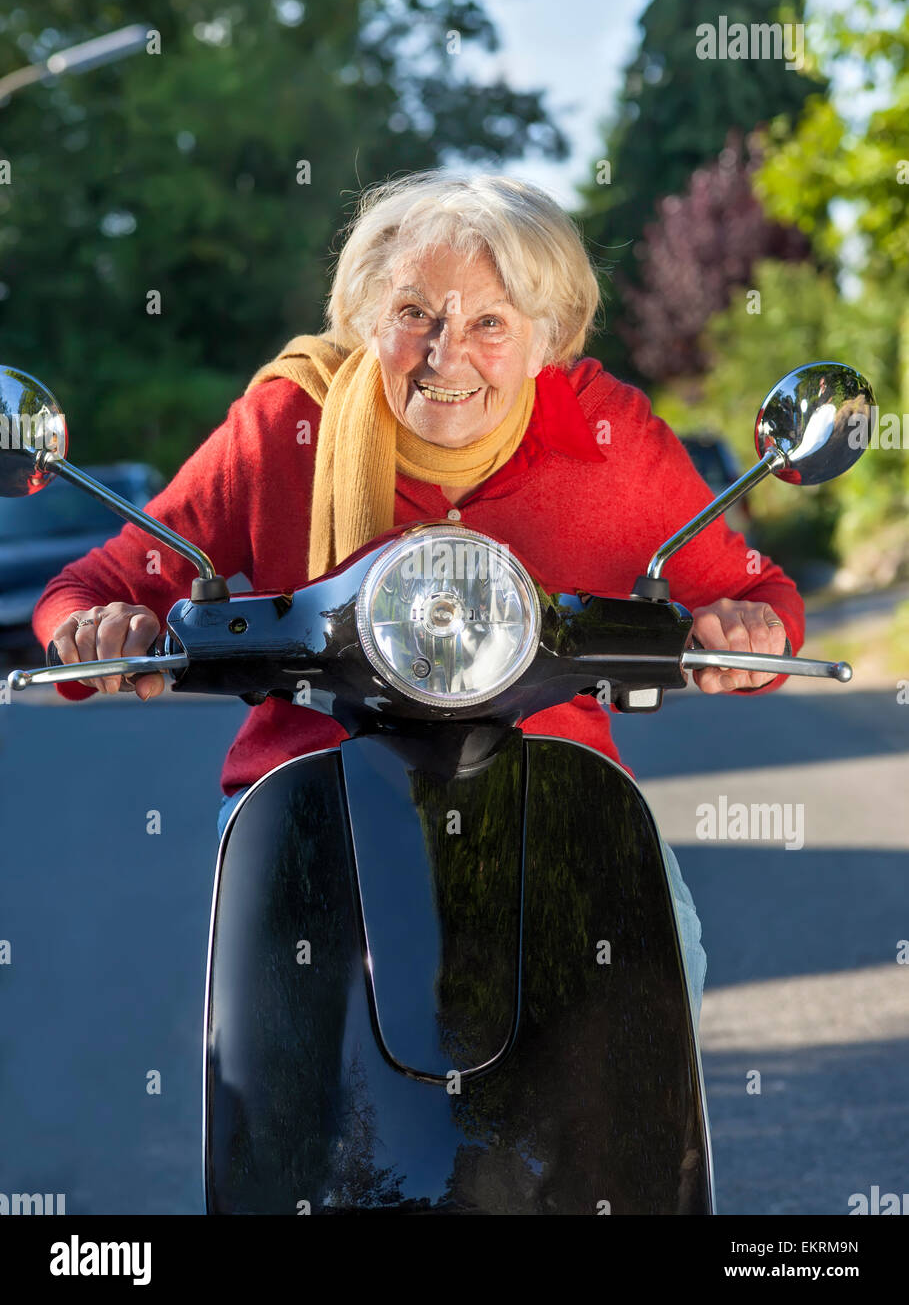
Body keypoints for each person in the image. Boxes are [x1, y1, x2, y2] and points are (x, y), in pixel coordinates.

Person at [32, 170, 805, 1027]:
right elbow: (92, 587)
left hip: (557, 800)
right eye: (415, 314)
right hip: (312, 796)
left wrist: (750, 631)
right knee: (272, 1033)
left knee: (658, 980)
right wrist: (95, 629)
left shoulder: (608, 434)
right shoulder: (286, 426)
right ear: (366, 315)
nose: (445, 354)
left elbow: (753, 591)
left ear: (548, 335)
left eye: (489, 323)